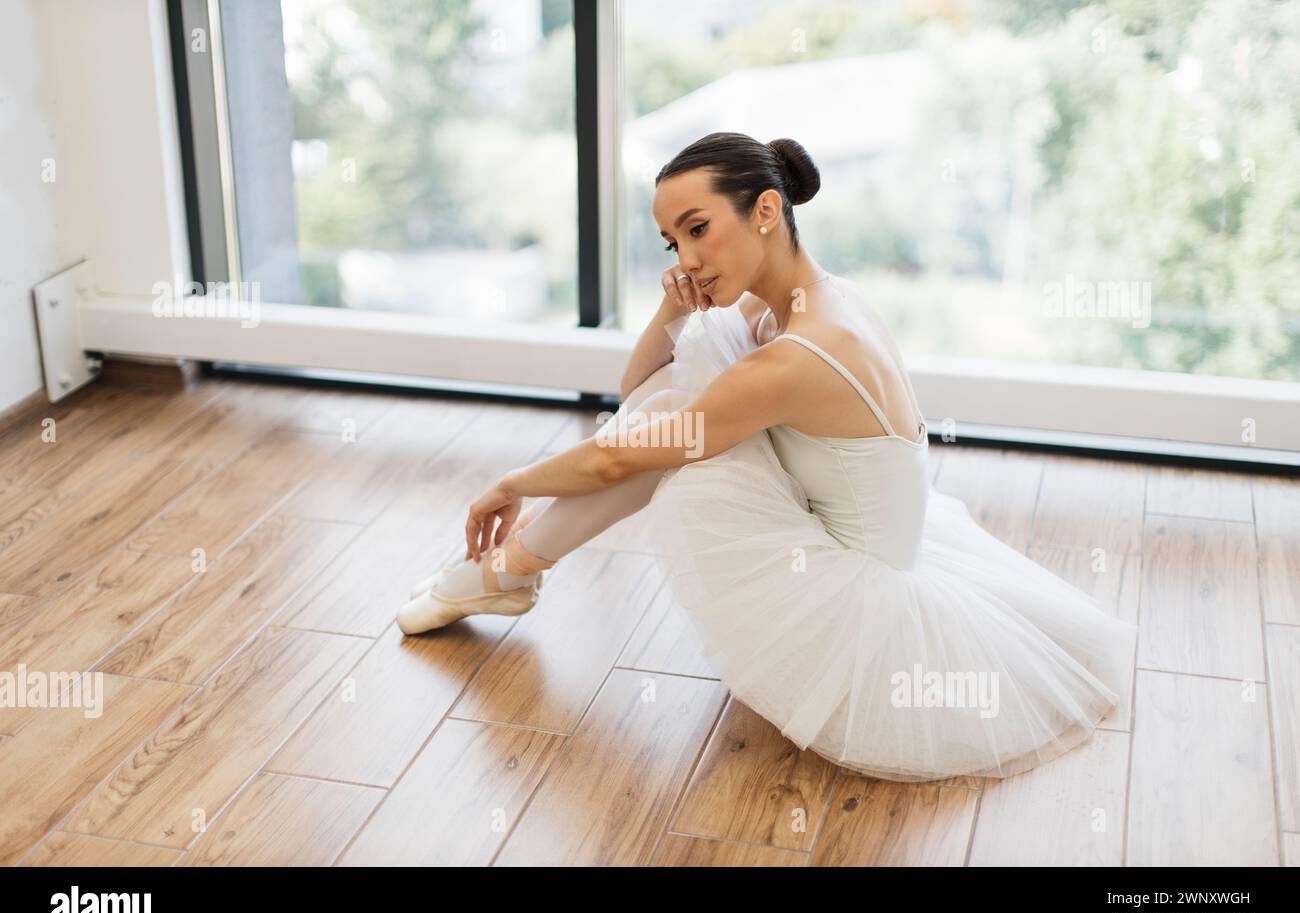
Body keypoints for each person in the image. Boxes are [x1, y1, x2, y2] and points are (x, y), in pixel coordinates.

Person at [395, 131, 1136, 783]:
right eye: (671, 243)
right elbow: (640, 394)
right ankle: (508, 576)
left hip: (860, 611)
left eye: (697, 229)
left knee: (684, 454)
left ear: (766, 211)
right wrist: (673, 308)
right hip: (841, 523)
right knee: (676, 413)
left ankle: (504, 573)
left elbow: (625, 455)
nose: (687, 256)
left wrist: (508, 481)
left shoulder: (801, 353)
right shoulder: (803, 299)